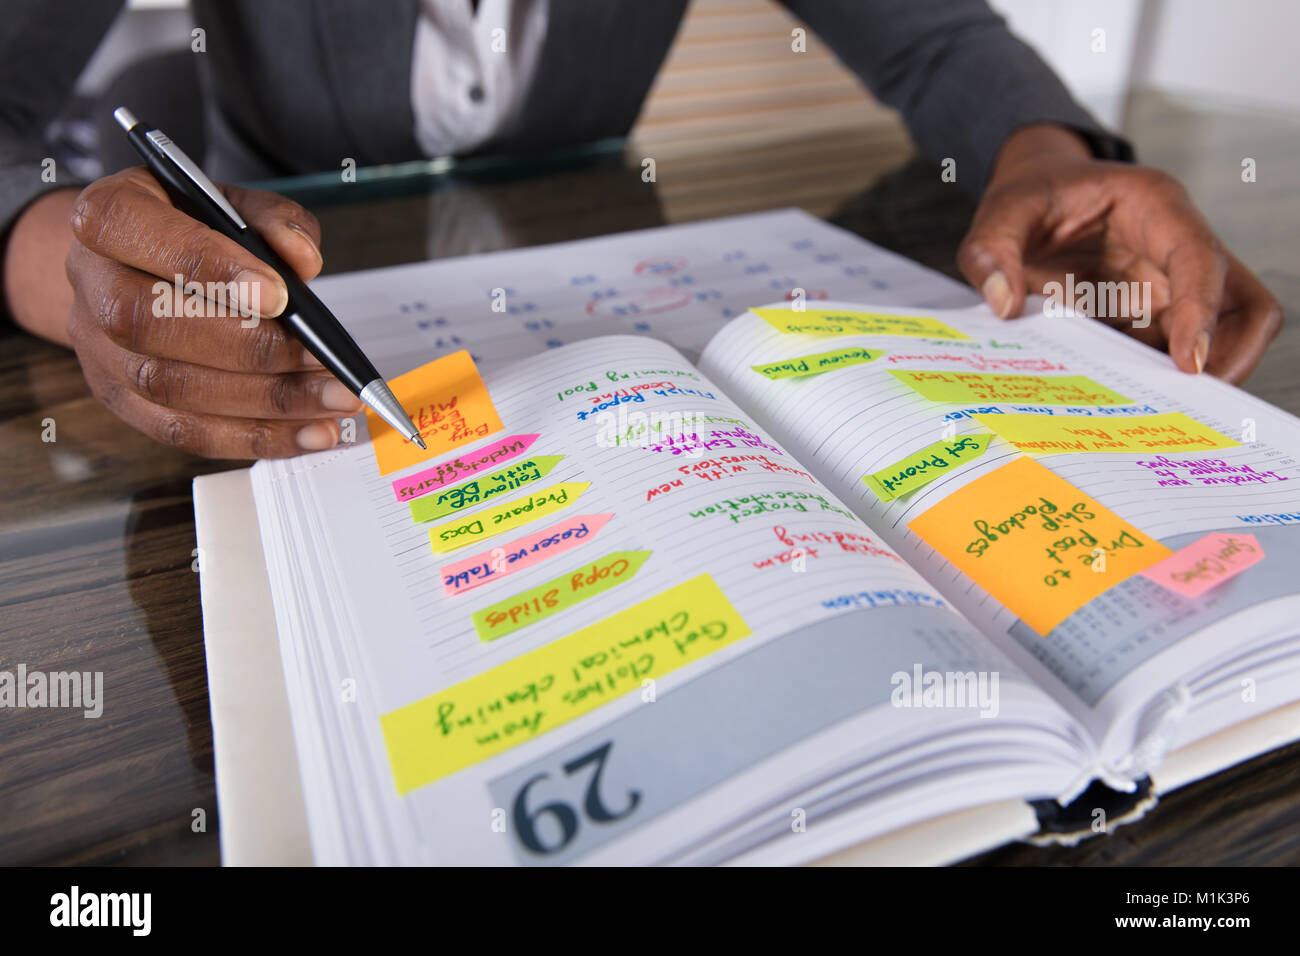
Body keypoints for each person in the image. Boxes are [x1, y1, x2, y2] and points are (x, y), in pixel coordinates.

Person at [0, 0, 1282, 459]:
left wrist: (1053, 159)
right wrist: (74, 269)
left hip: (597, 241)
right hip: (291, 275)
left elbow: (937, 34)